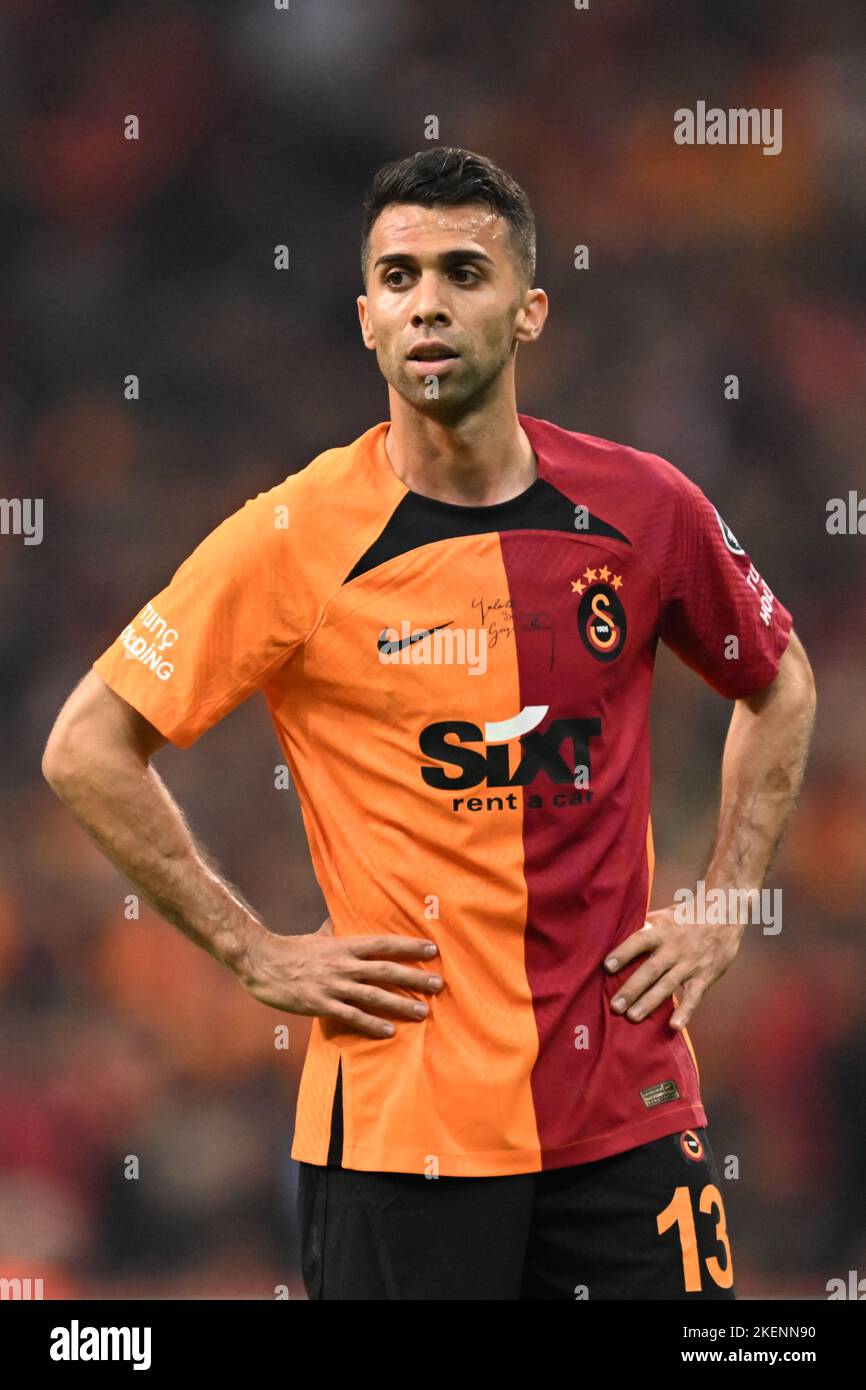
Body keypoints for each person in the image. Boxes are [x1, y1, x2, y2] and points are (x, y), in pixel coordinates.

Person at [42, 147, 816, 1300]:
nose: (429, 304)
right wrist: (252, 950)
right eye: (398, 277)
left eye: (464, 271)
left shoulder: (644, 508)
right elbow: (86, 744)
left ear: (529, 308)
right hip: (402, 1139)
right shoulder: (291, 537)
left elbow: (779, 680)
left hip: (624, 1115)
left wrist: (718, 904)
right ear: (364, 318)